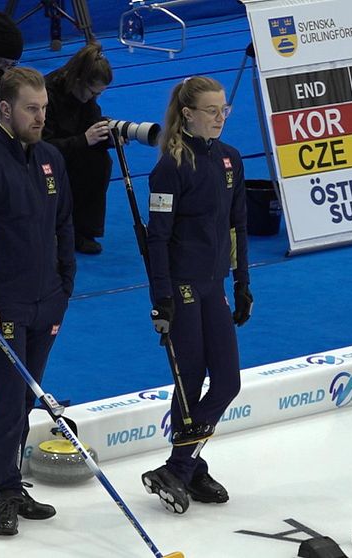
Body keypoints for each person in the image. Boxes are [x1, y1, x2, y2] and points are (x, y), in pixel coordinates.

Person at [0, 66, 76, 537]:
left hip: (47, 303)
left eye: (44, 108)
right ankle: (0, 492)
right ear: (3, 108)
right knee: (8, 399)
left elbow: (65, 224)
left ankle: (11, 483)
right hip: (1, 308)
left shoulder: (50, 159)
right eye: (31, 108)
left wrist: (66, 286)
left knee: (26, 398)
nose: (41, 116)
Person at [140, 76, 253, 514]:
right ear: (188, 114)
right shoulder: (170, 168)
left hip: (215, 286)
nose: (220, 117)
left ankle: (181, 465)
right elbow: (157, 238)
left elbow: (237, 225)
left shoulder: (230, 160)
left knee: (227, 381)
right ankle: (188, 464)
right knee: (189, 382)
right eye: (211, 110)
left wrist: (242, 281)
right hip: (183, 289)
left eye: (224, 109)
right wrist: (161, 297)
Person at [42, 42, 114, 255]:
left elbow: (91, 125)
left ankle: (84, 231)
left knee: (100, 160)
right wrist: (83, 140)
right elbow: (42, 146)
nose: (94, 98)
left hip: (71, 148)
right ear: (79, 81)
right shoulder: (48, 94)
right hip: (48, 153)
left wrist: (108, 136)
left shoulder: (85, 95)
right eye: (93, 93)